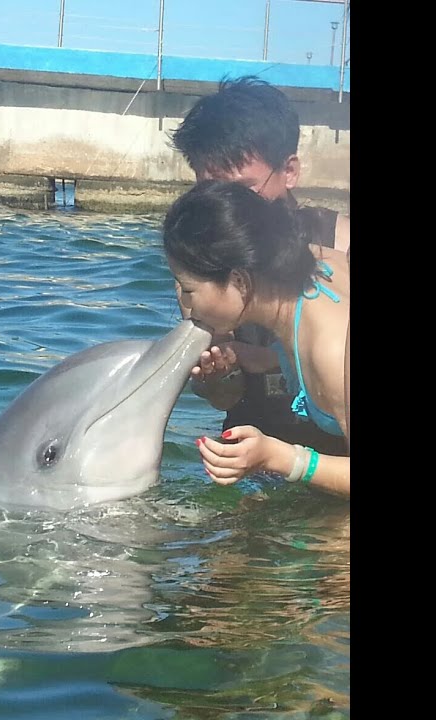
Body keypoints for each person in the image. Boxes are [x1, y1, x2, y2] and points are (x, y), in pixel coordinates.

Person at [168, 76, 349, 457]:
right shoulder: (204, 260)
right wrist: (221, 376)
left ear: (289, 171)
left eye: (241, 189)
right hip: (250, 459)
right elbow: (223, 397)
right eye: (209, 190)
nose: (225, 206)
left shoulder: (339, 248)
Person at [164, 181, 349, 496]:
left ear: (238, 279)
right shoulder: (321, 266)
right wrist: (263, 359)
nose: (187, 306)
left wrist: (282, 458)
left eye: (190, 290)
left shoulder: (330, 352)